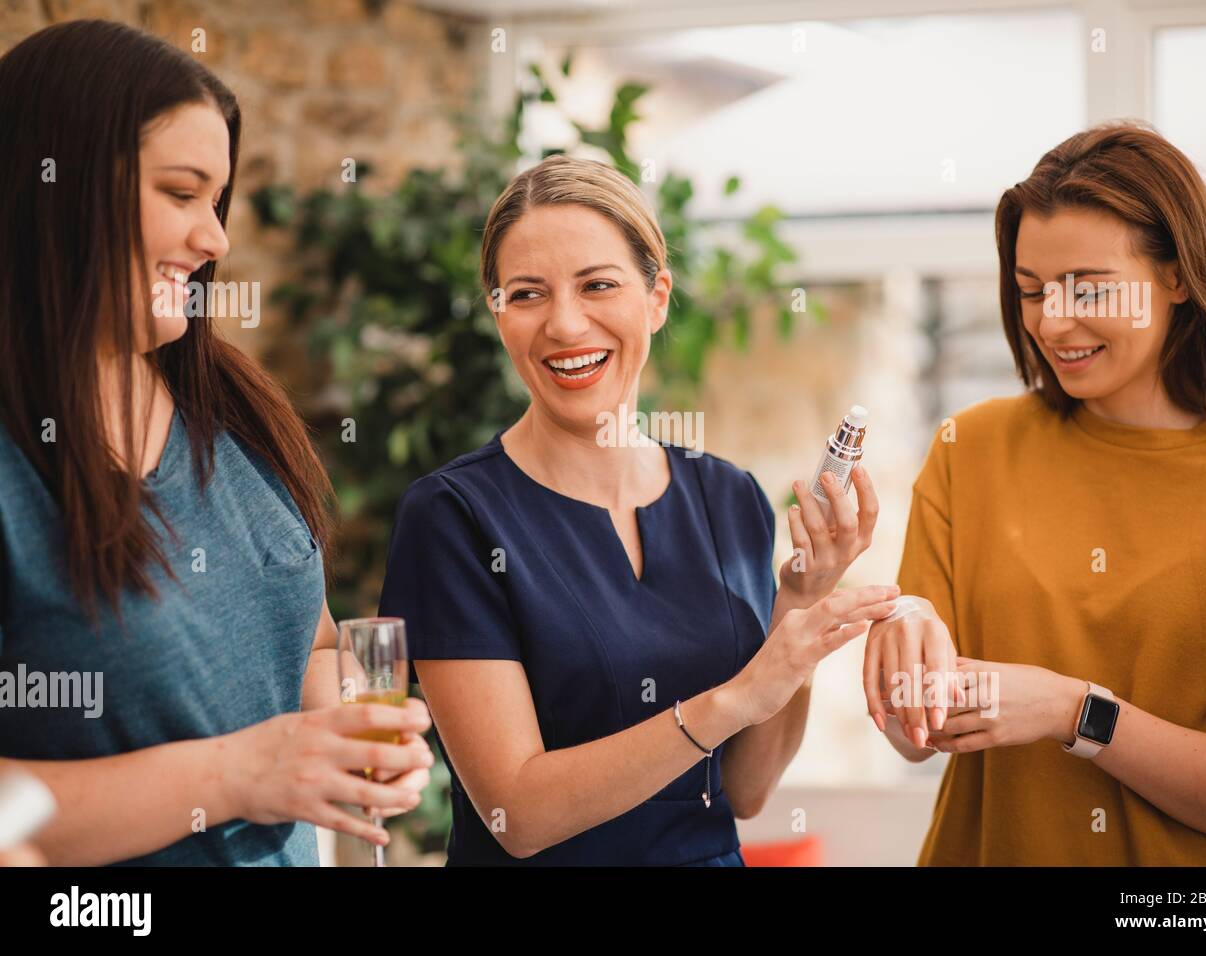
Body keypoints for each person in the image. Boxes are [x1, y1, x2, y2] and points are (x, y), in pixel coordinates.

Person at [379, 154, 898, 865]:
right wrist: (731, 701)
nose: (564, 324)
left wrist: (802, 599)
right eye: (527, 294)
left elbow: (745, 790)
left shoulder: (729, 497)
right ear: (498, 313)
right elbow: (517, 813)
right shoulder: (454, 519)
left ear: (656, 298)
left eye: (598, 285)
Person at [0, 19, 432, 865]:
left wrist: (349, 726)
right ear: (58, 187)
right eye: (180, 192)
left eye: (218, 200)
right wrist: (237, 774)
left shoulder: (229, 402)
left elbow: (304, 645)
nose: (216, 240)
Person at [865, 123, 1206, 864]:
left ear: (1179, 276)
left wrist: (1075, 712)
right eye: (1031, 291)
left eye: (1088, 288)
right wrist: (903, 635)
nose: (1052, 322)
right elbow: (918, 738)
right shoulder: (972, 449)